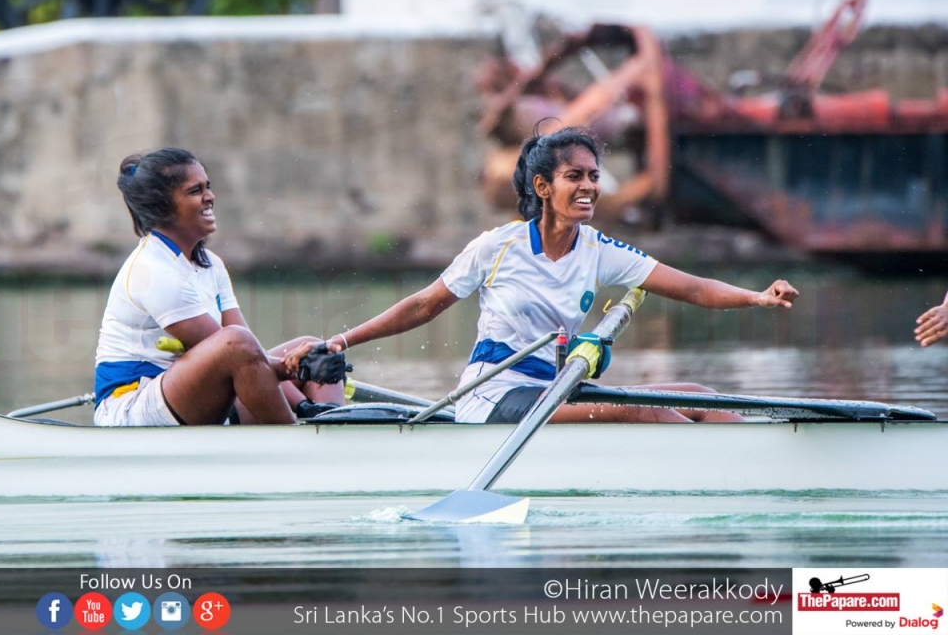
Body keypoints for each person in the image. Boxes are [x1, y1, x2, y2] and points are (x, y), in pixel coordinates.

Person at [285, 127, 800, 424]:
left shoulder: (599, 250)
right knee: (644, 413)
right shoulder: (498, 246)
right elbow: (423, 305)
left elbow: (690, 287)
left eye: (595, 176)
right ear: (543, 186)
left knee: (699, 397)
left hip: (556, 393)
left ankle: (757, 467)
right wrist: (344, 340)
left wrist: (757, 298)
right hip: (491, 397)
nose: (590, 187)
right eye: (575, 176)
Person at [93, 148, 344, 427]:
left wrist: (308, 398)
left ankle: (330, 424)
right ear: (161, 206)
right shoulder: (153, 271)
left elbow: (254, 356)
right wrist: (303, 371)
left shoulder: (211, 265)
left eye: (208, 187)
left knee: (312, 348)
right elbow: (237, 350)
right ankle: (298, 441)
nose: (210, 197)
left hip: (187, 395)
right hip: (130, 407)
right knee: (242, 344)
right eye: (195, 191)